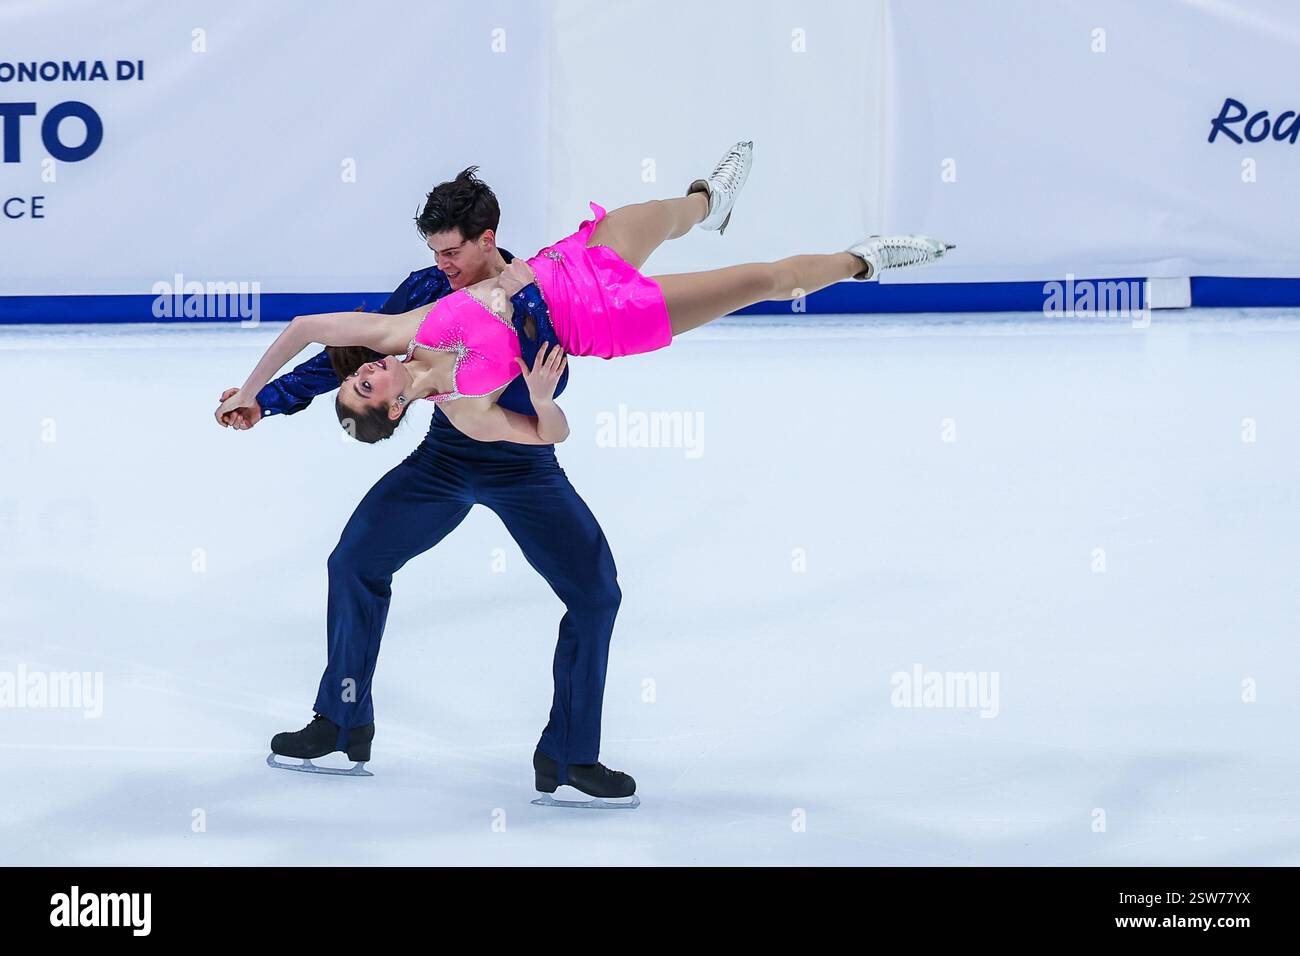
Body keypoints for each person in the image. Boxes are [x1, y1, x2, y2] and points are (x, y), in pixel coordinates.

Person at [215, 143, 760, 809]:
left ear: (487, 240)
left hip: (524, 466)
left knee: (596, 596)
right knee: (354, 561)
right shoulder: (425, 291)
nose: (440, 267)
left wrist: (538, 398)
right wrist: (264, 399)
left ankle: (569, 754)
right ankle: (342, 719)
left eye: (452, 253)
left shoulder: (543, 295)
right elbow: (352, 351)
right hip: (444, 460)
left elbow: (550, 410)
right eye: (435, 253)